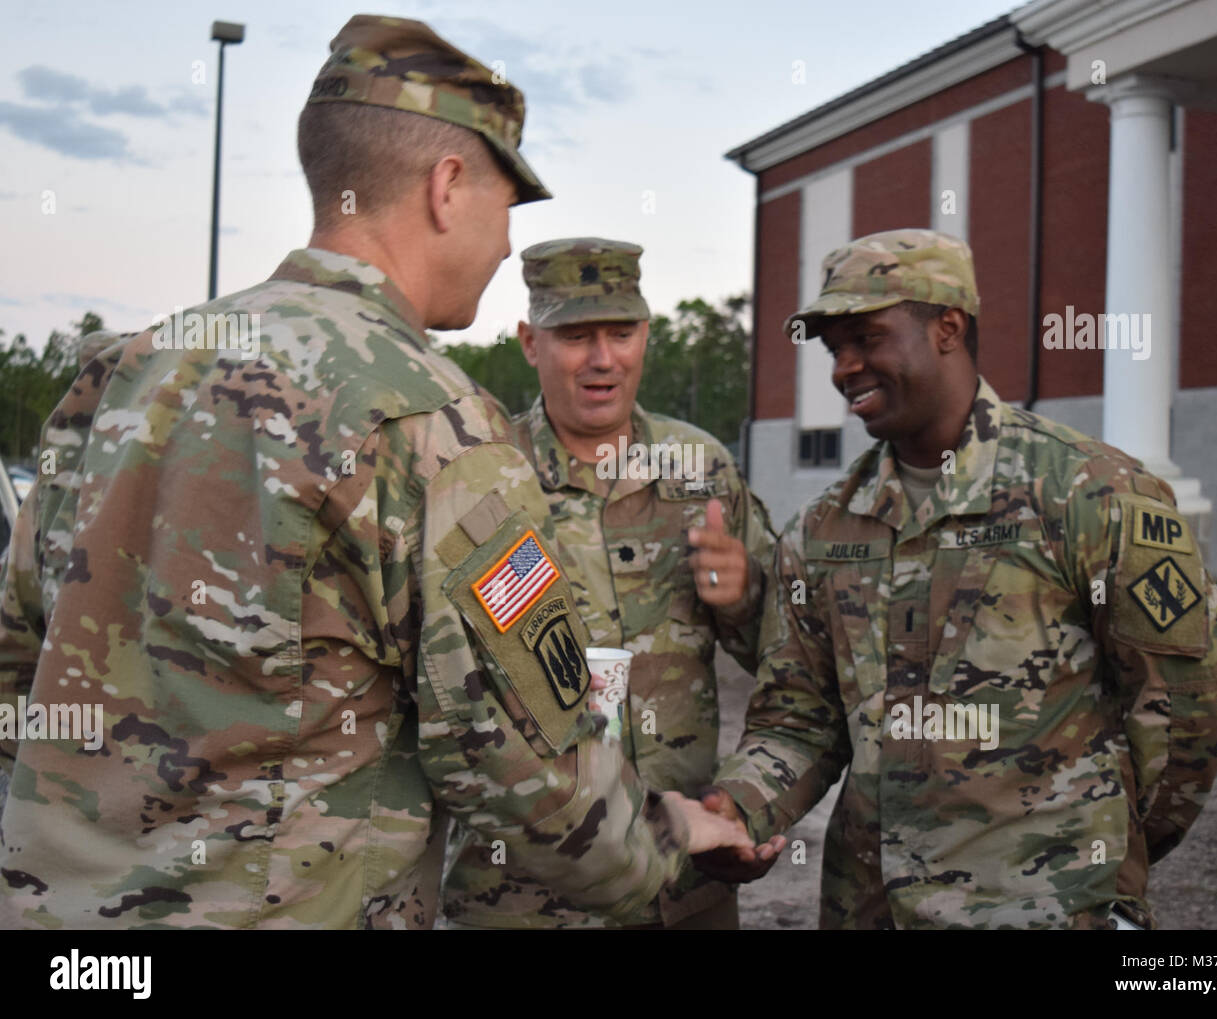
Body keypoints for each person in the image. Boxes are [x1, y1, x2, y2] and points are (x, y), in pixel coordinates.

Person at [0, 14, 752, 930]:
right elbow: (526, 759)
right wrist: (664, 841)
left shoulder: (123, 374)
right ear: (447, 187)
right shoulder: (432, 422)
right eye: (507, 208)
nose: (507, 245)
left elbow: (19, 661)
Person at [700, 228, 1217, 929]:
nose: (843, 367)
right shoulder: (823, 530)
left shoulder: (1089, 492)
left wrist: (1105, 856)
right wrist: (741, 806)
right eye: (835, 348)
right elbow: (799, 717)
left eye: (867, 337)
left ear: (947, 326)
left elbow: (1190, 704)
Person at [440, 238, 781, 929]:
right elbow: (448, 701)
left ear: (646, 335)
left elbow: (787, 662)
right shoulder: (483, 483)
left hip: (685, 889)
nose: (603, 358)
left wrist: (744, 596)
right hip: (530, 898)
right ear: (531, 342)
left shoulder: (700, 470)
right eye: (575, 335)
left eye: (621, 332)